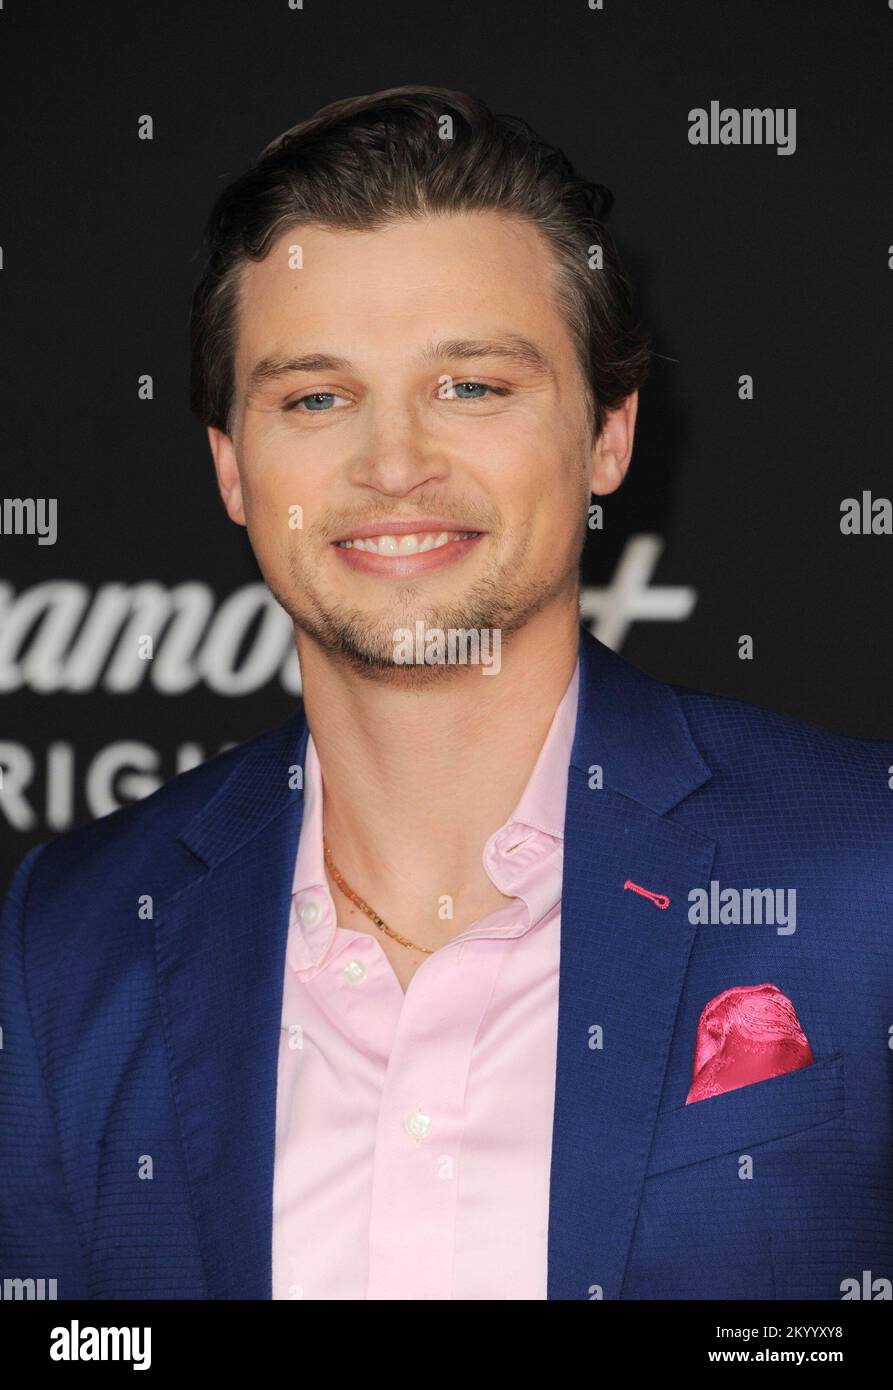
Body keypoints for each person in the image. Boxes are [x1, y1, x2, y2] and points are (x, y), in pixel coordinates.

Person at [1, 86, 890, 1302]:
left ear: (607, 435)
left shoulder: (860, 871)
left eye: (470, 385)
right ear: (230, 469)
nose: (392, 461)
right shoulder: (73, 936)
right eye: (315, 397)